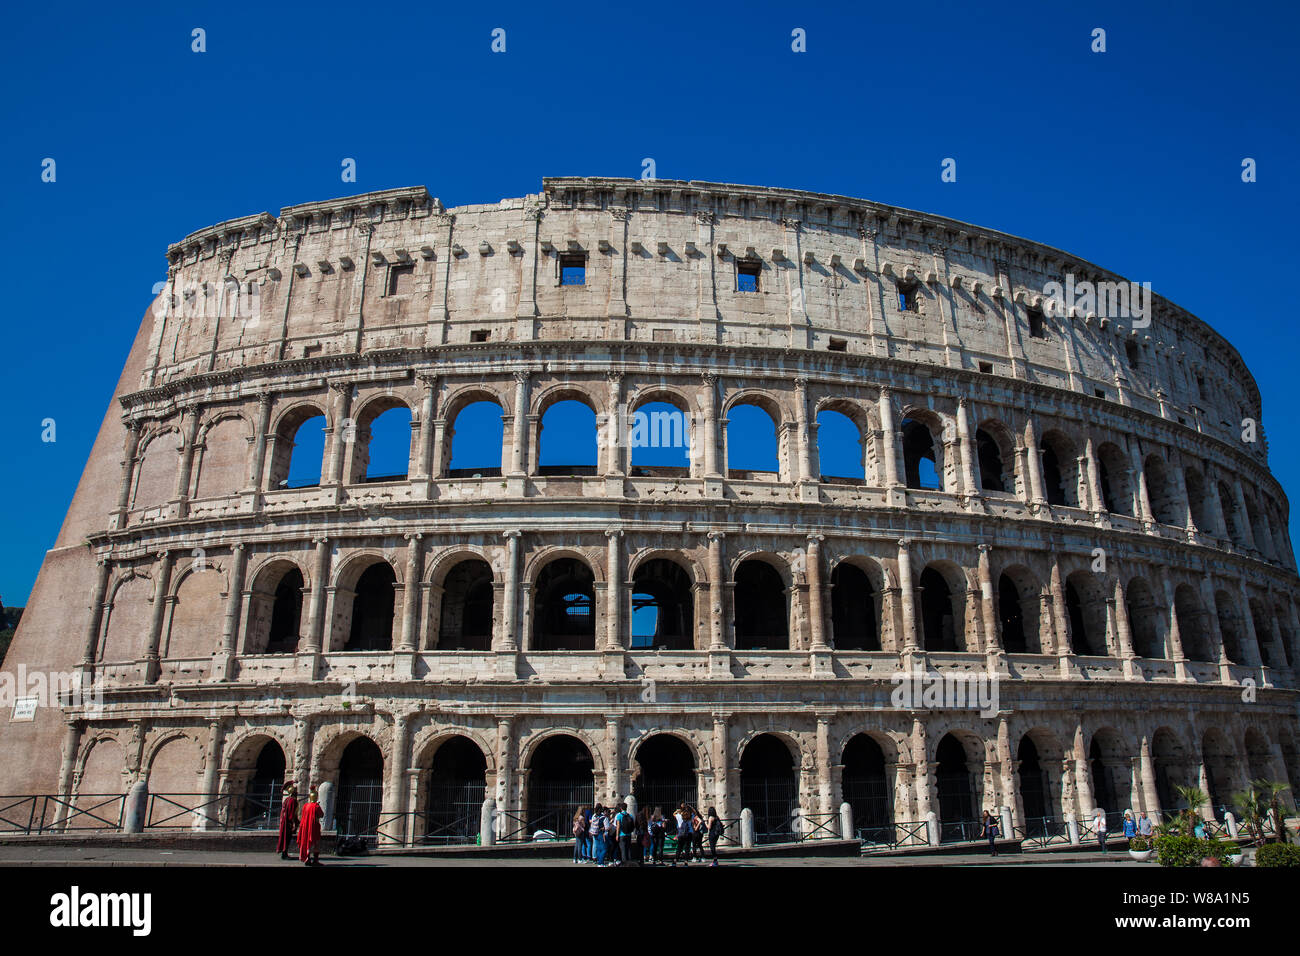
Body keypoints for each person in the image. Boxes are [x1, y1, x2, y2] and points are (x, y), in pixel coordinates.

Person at [297, 787, 323, 866]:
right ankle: (315, 860)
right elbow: (321, 815)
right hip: (314, 827)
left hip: (305, 827)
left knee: (306, 842)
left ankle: (307, 859)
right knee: (316, 843)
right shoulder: (316, 806)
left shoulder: (306, 806)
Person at [276, 782, 298, 860]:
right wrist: (294, 823)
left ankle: (284, 852)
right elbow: (292, 813)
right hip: (288, 822)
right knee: (286, 838)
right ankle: (284, 853)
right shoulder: (293, 801)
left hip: (284, 821)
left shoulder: (287, 800)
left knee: (284, 837)